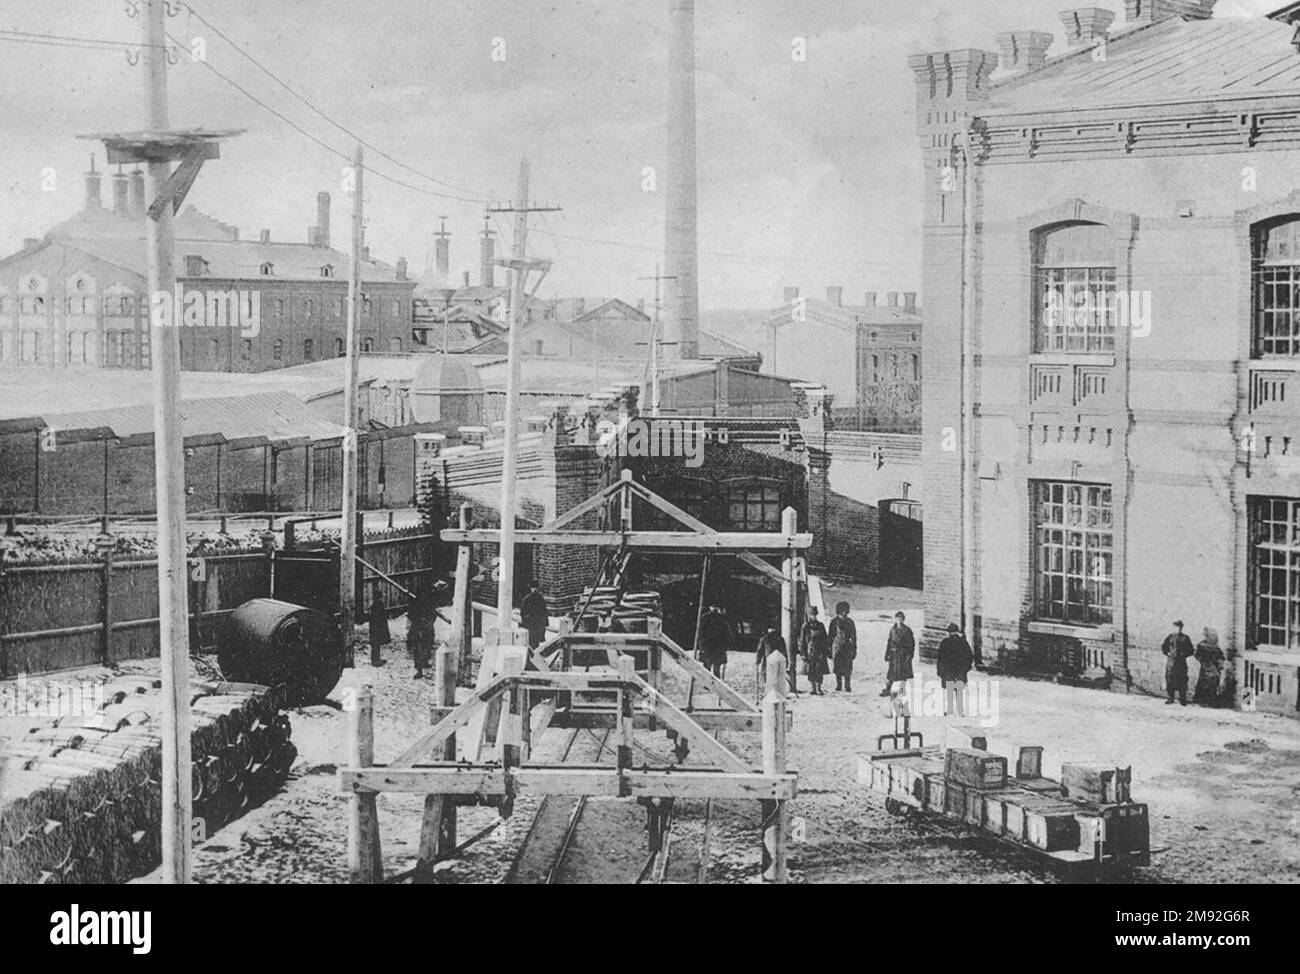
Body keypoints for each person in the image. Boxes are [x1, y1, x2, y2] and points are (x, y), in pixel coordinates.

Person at [936, 622, 974, 716]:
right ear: (957, 631)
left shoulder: (945, 642)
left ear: (949, 632)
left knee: (949, 691)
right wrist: (966, 669)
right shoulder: (963, 642)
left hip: (949, 671)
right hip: (960, 671)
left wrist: (940, 671)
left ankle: (950, 710)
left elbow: (940, 658)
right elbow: (969, 656)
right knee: (959, 691)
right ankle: (960, 711)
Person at [407, 576, 439, 680]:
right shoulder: (418, 600)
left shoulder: (429, 599)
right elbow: (412, 614)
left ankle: (423, 664)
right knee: (419, 647)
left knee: (427, 645)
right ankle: (419, 669)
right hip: (419, 626)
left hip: (426, 625)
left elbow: (433, 613)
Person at [1161, 619, 1195, 705]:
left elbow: (1191, 650)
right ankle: (1170, 698)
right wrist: (1167, 653)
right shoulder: (1170, 637)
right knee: (1170, 680)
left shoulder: (1185, 638)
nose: (1178, 629)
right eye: (1176, 627)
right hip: (1171, 663)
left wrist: (1184, 654)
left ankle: (1182, 699)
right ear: (1174, 628)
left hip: (1181, 663)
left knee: (1182, 680)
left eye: (1180, 627)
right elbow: (1163, 646)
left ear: (1182, 628)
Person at [882, 611, 915, 697]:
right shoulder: (893, 629)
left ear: (903, 620)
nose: (899, 620)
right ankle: (888, 689)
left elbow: (911, 644)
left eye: (901, 619)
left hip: (902, 655)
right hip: (894, 654)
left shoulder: (907, 631)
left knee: (902, 674)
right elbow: (889, 642)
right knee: (891, 673)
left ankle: (902, 690)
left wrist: (909, 655)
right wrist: (887, 653)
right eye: (897, 618)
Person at [800, 606, 831, 695]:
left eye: (815, 615)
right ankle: (813, 688)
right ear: (809, 615)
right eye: (812, 615)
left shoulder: (820, 625)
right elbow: (802, 641)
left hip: (820, 650)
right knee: (811, 670)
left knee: (819, 670)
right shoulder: (805, 626)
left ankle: (819, 688)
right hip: (810, 651)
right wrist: (803, 653)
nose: (813, 617)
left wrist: (826, 650)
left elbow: (825, 638)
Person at [698, 605, 732, 678]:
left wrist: (701, 647)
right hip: (714, 649)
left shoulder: (705, 618)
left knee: (709, 669)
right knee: (713, 669)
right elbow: (728, 636)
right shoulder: (721, 619)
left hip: (711, 648)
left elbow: (701, 635)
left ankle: (708, 685)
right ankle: (711, 685)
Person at [829, 601, 857, 692]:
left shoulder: (850, 622)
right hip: (837, 646)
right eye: (842, 611)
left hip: (847, 646)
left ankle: (847, 685)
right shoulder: (834, 622)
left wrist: (854, 648)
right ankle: (839, 684)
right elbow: (830, 636)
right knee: (838, 666)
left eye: (845, 611)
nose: (844, 612)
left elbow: (853, 636)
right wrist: (829, 648)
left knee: (847, 667)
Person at [1194, 627, 1225, 707]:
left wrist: (1218, 665)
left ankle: (1208, 701)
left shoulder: (1214, 646)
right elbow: (1198, 655)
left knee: (1210, 684)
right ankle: (1205, 701)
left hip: (1210, 668)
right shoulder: (1203, 645)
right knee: (1207, 684)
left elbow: (1220, 657)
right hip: (1207, 667)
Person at [755, 625, 788, 699]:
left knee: (777, 678)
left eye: (773, 629)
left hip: (778, 662)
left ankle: (776, 693)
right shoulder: (765, 639)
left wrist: (785, 662)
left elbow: (784, 651)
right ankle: (766, 693)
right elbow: (760, 651)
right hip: (767, 663)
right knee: (766, 678)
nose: (772, 630)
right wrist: (758, 660)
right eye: (770, 629)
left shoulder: (780, 639)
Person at [520, 583, 549, 650]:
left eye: (536, 588)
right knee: (531, 641)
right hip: (530, 623)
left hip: (537, 623)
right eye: (533, 588)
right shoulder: (527, 599)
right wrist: (526, 621)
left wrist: (544, 623)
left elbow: (544, 611)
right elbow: (523, 612)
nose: (534, 590)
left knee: (536, 640)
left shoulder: (540, 598)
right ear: (530, 589)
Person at [368, 584, 391, 667]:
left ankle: (375, 659)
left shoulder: (374, 606)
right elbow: (380, 617)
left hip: (374, 628)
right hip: (377, 628)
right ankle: (375, 660)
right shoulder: (378, 605)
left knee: (375, 645)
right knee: (376, 644)